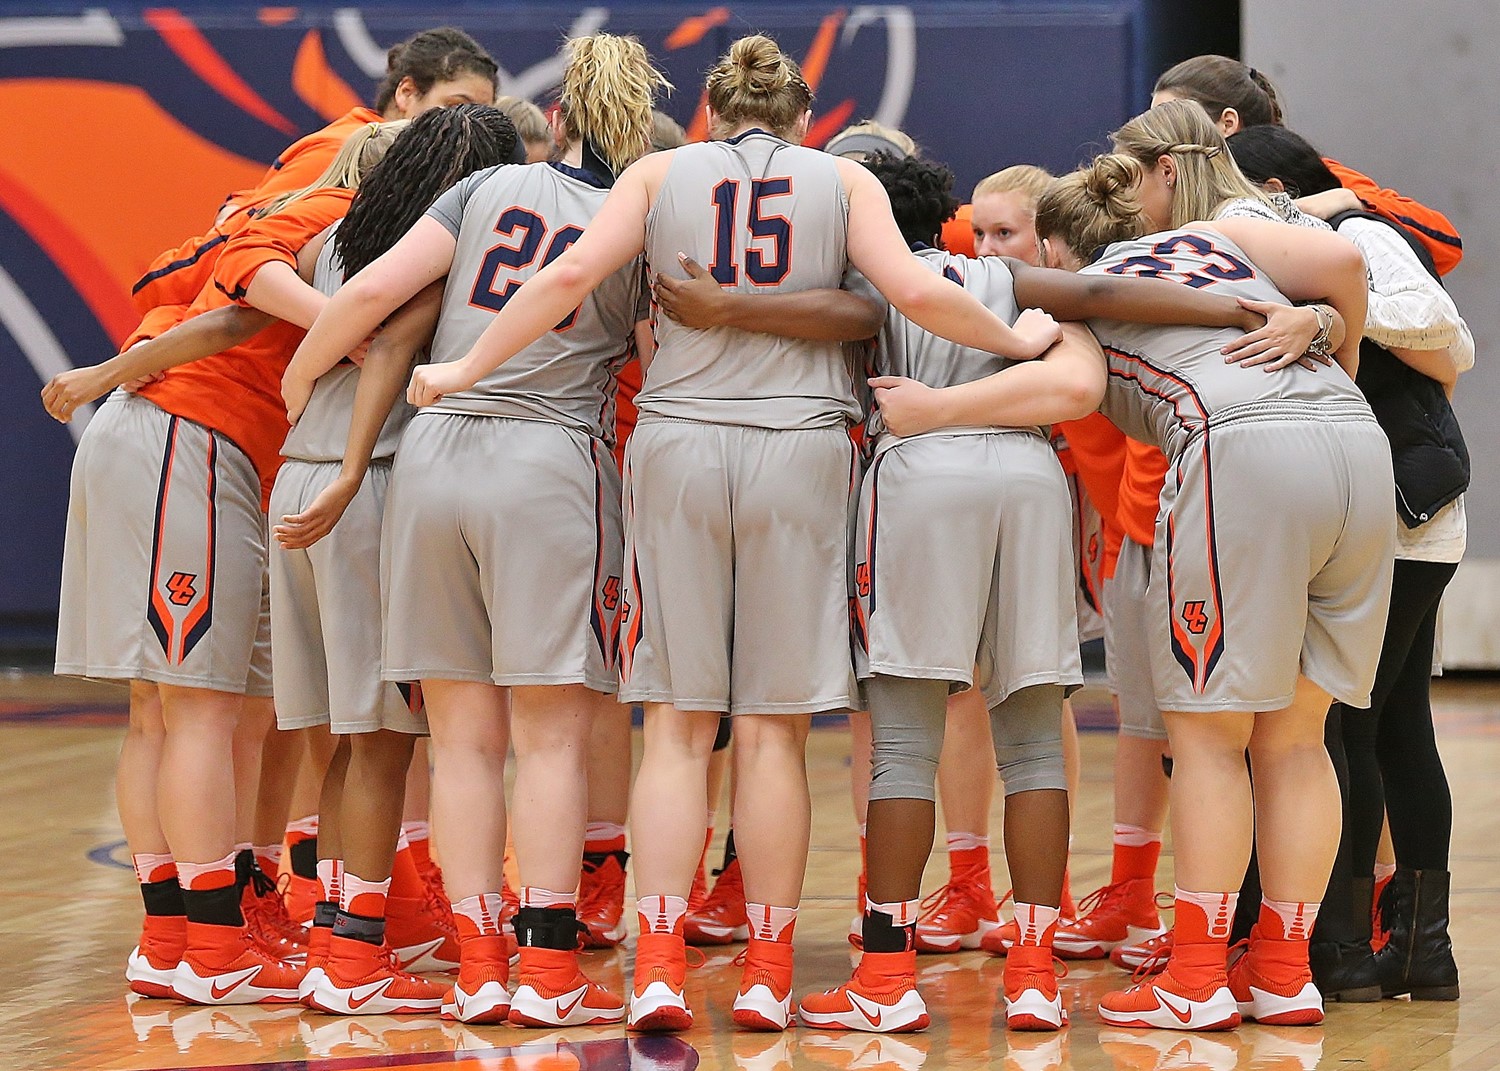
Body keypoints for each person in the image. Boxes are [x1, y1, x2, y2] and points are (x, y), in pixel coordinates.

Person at [398, 33, 1067, 1033]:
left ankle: (658, 965)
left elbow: (567, 278)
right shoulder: (842, 180)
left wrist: (464, 368)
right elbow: (919, 293)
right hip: (797, 452)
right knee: (770, 733)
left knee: (672, 723)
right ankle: (765, 973)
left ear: (710, 113)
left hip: (676, 447)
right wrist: (1016, 339)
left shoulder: (662, 171)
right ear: (805, 119)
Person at [281, 32, 671, 1028]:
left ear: (556, 115)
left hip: (435, 461)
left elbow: (368, 295)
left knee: (455, 745)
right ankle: (545, 972)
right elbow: (662, 350)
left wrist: (301, 376)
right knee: (548, 742)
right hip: (547, 464)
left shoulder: (484, 189)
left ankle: (480, 967)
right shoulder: (639, 211)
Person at [48, 120, 411, 1006]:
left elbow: (176, 285)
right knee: (199, 711)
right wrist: (105, 372)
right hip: (188, 435)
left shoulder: (285, 201)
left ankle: (174, 936)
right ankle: (213, 947)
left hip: (176, 438)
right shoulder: (333, 207)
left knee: (177, 712)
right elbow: (236, 309)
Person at [258, 104, 520, 1016]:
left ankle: (338, 933)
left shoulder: (336, 234)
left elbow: (261, 289)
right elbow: (391, 346)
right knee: (379, 743)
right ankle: (356, 956)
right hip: (359, 487)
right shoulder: (445, 243)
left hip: (293, 475)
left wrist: (298, 376)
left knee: (346, 737)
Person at [1230, 123, 1472, 1002]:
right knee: (1389, 726)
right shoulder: (1310, 237)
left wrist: (1331, 311)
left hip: (1403, 507)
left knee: (1347, 731)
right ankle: (1410, 949)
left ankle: (1335, 946)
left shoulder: (1356, 235)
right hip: (1377, 505)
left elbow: (1452, 340)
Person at [1151, 54, 1463, 275]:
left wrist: (1349, 200)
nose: (1155, 132)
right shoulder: (1163, 181)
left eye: (1170, 117)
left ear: (1227, 123)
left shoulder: (1309, 170)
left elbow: (1446, 243)